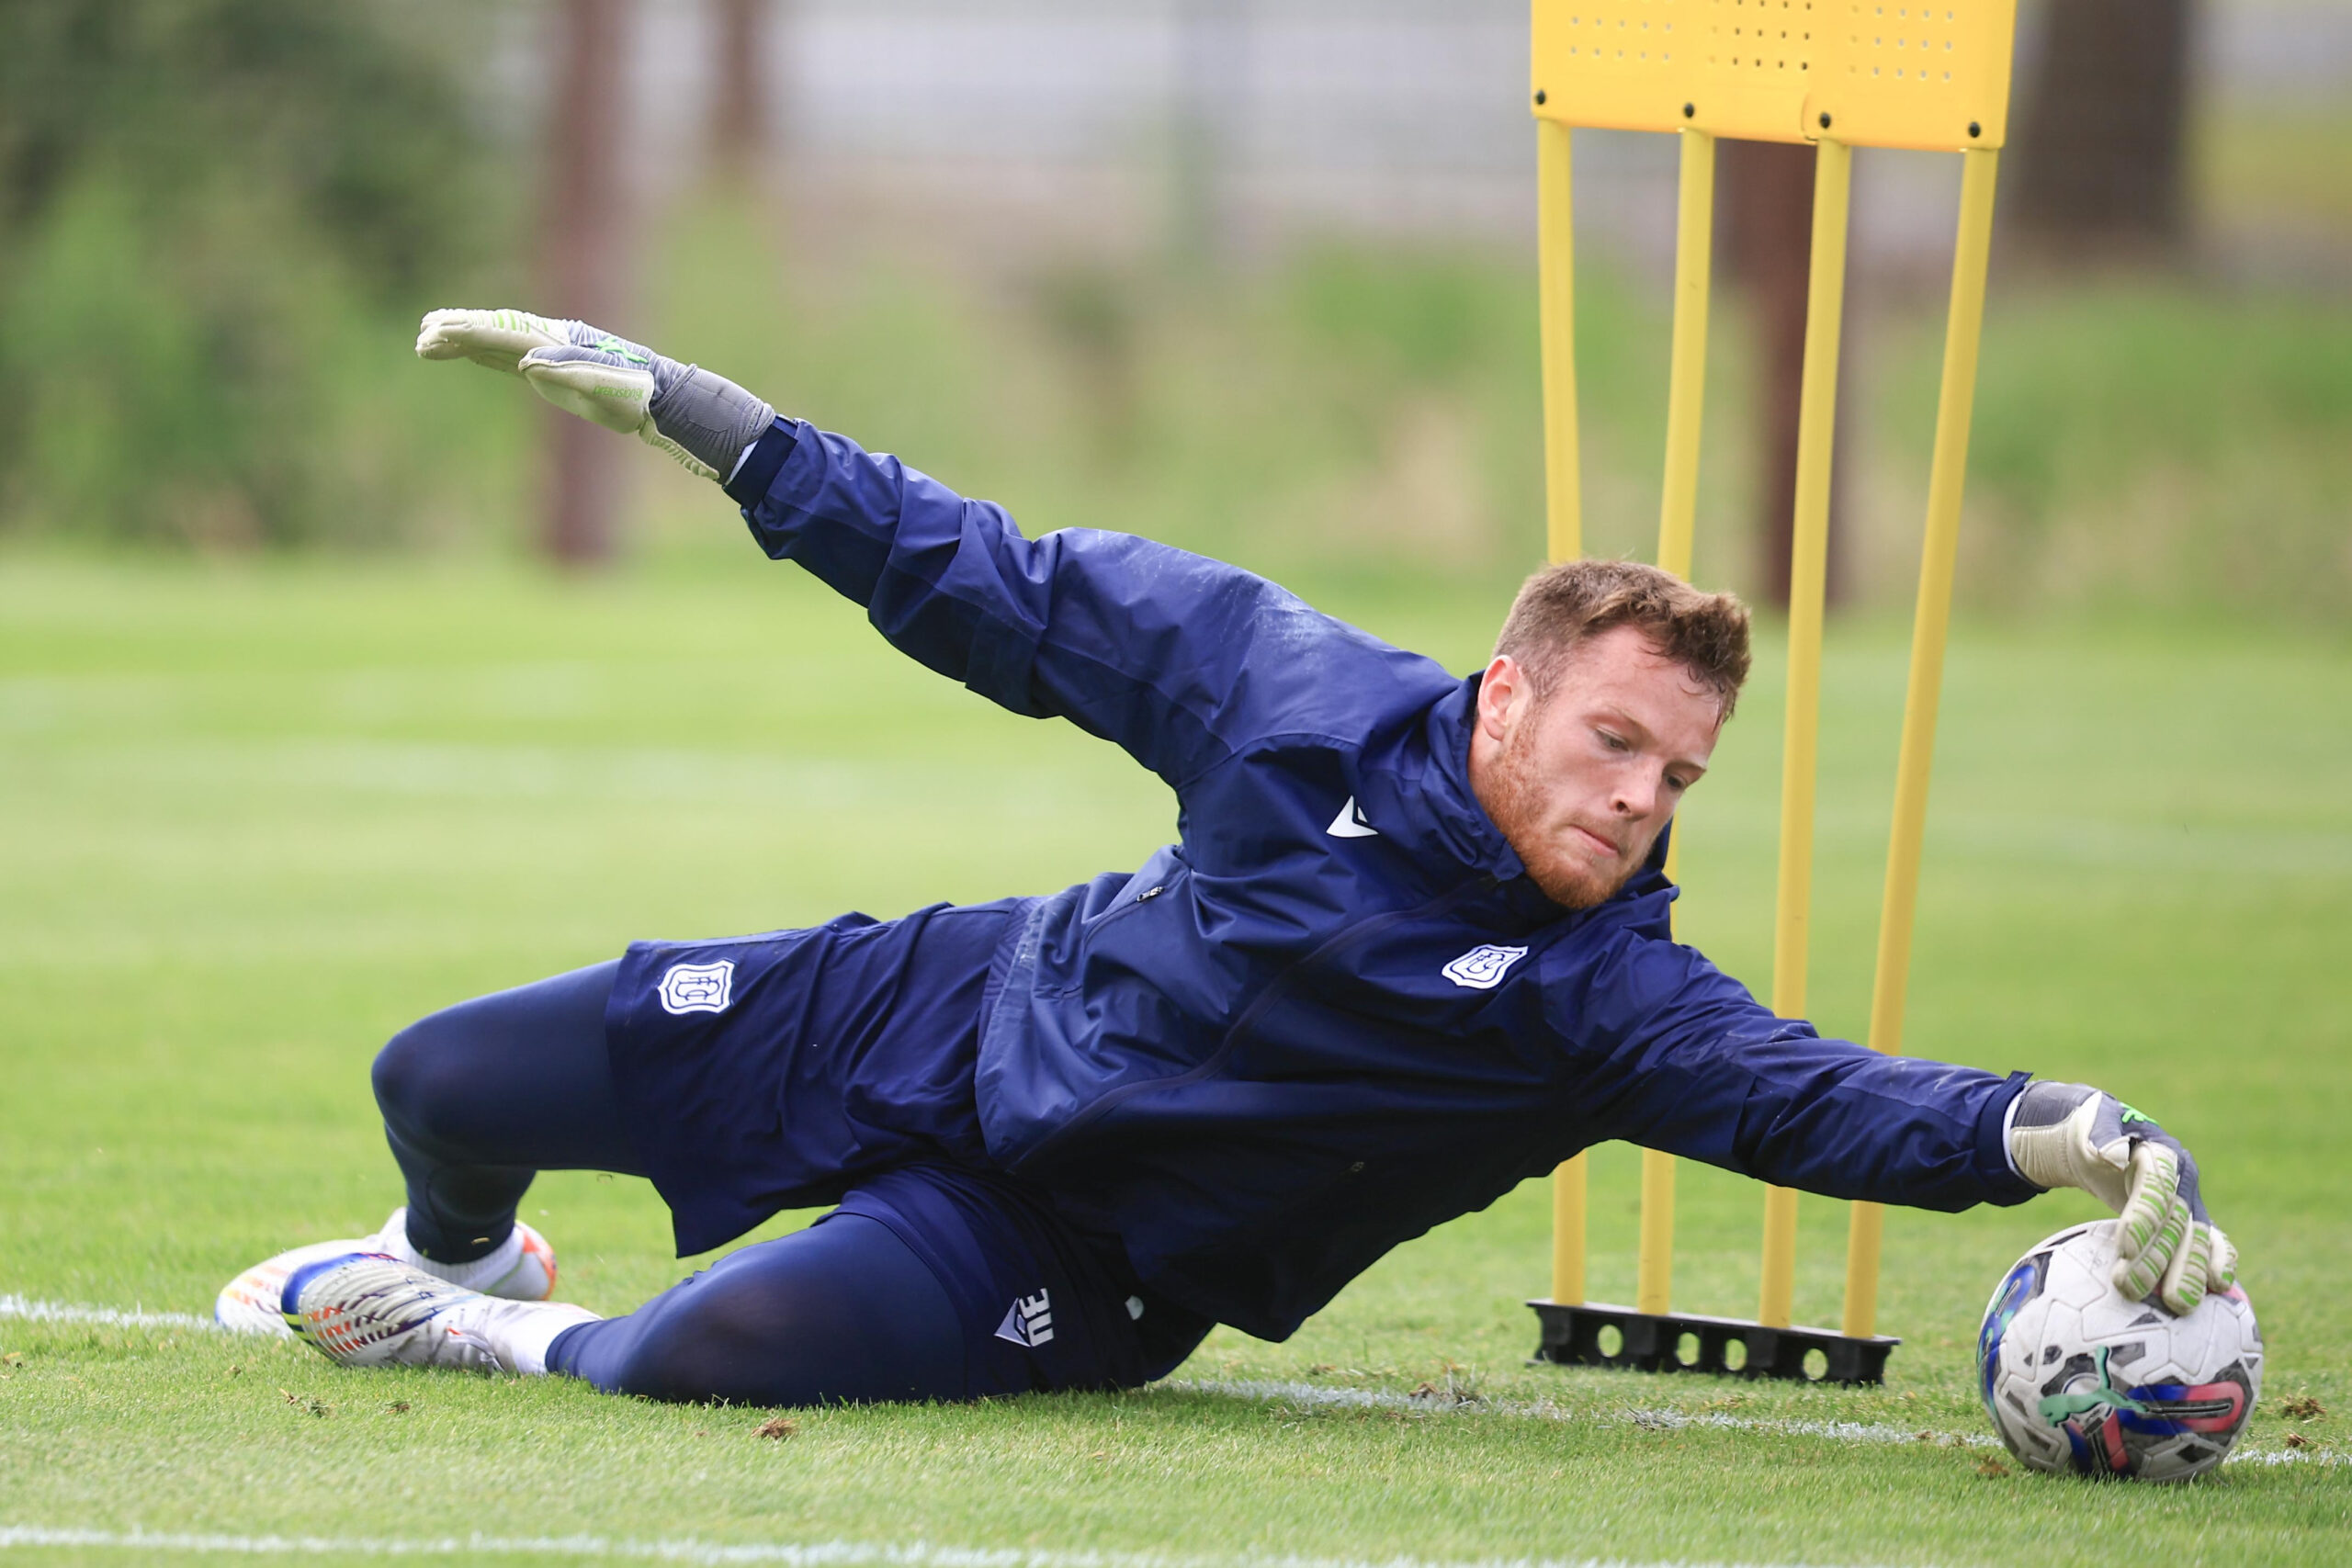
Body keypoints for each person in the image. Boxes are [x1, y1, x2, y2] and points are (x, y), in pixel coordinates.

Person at [219, 310, 2235, 1406]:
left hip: (1075, 1249)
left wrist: (2062, 1132)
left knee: (696, 1358)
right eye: (1615, 741)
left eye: (1679, 777)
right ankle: (469, 1249)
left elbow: (1820, 1098)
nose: (1639, 800)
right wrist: (719, 424)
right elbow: (983, 580)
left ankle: (471, 1327)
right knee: (440, 1076)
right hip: (954, 1004)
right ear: (1505, 697)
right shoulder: (1286, 688)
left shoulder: (1604, 999)